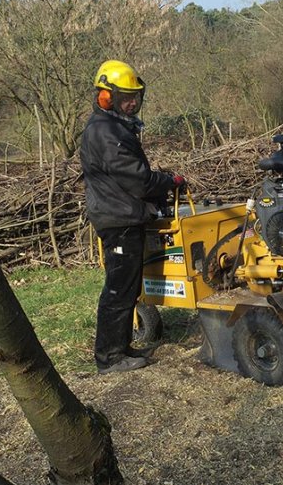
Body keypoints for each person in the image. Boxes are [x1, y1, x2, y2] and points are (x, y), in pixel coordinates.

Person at [80, 60, 185, 375]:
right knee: (118, 290)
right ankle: (110, 358)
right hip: (119, 219)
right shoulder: (105, 131)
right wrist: (168, 181)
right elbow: (136, 179)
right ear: (105, 97)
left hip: (123, 216)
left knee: (126, 288)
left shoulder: (114, 127)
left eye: (135, 96)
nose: (132, 102)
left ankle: (121, 347)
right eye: (125, 96)